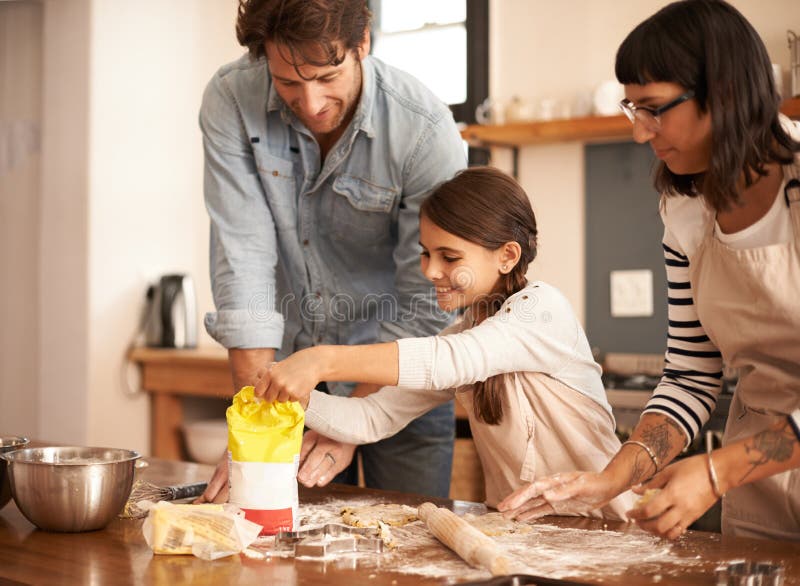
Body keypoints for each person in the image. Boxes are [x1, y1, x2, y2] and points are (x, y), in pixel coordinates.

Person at [497, 0, 800, 541]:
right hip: (762, 497)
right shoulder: (686, 209)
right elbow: (690, 374)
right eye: (632, 108)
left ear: (722, 92)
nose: (641, 132)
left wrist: (717, 470)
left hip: (737, 467)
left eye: (654, 108)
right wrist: (612, 477)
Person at [197, 0, 466, 503]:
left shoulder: (424, 130)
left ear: (363, 41)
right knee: (285, 552)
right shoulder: (232, 98)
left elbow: (428, 297)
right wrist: (256, 422)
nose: (312, 102)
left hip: (399, 378)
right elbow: (243, 255)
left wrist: (352, 418)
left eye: (326, 76)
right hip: (285, 380)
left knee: (407, 553)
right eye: (287, 82)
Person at [255, 166, 636, 519]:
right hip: (523, 533)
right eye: (425, 253)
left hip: (603, 527)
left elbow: (448, 360)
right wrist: (294, 398)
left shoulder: (540, 310)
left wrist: (320, 360)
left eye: (449, 257)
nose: (431, 270)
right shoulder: (465, 337)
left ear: (507, 256)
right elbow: (373, 417)